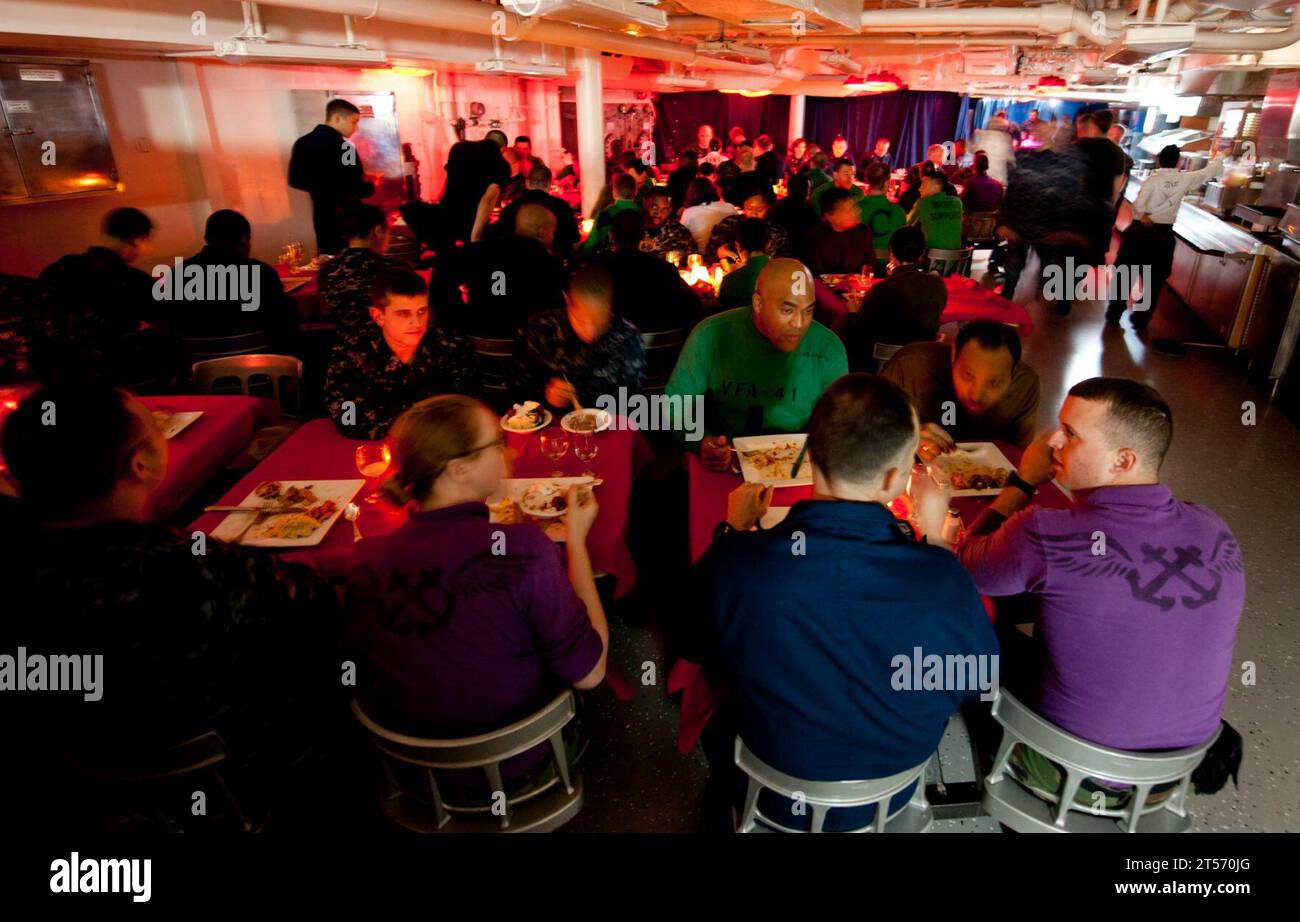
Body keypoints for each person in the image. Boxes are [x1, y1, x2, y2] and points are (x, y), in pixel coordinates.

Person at [0, 381, 337, 830]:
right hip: (223, 769)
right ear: (142, 463)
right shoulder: (187, 570)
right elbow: (314, 607)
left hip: (66, 775)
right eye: (153, 427)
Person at [681, 374, 998, 831]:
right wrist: (935, 549)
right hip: (891, 795)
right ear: (895, 479)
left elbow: (691, 644)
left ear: (810, 456)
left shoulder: (740, 563)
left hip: (774, 791)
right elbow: (976, 682)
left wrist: (730, 532)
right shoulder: (943, 577)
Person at [943, 378, 1243, 804]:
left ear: (1123, 460)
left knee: (959, 638)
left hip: (1073, 775)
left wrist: (1023, 482)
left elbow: (962, 568)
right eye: (1058, 427)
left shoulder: (1047, 531)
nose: (1053, 443)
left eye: (1071, 434)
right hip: (1173, 776)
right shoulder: (1216, 529)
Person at [344, 395, 607, 789]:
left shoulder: (364, 558)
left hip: (413, 773)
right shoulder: (525, 548)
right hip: (514, 765)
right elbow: (591, 673)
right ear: (459, 468)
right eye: (497, 444)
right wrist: (577, 544)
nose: (509, 452)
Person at [664, 258, 847, 461]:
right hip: (724, 457)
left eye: (808, 311)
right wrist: (701, 442)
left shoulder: (828, 348)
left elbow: (840, 422)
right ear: (758, 303)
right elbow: (675, 404)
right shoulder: (710, 335)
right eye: (787, 310)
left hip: (796, 463)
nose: (799, 323)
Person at [324, 269, 481, 439]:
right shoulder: (353, 349)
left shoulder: (451, 345)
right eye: (403, 313)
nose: (416, 322)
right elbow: (344, 411)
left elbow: (467, 406)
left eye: (422, 311)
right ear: (378, 316)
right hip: (374, 447)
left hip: (439, 446)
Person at [36, 207, 171, 386]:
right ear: (138, 240)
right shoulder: (134, 280)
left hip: (58, 369)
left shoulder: (59, 269)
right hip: (117, 372)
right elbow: (163, 322)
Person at [1107, 144, 1224, 331]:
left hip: (1139, 233)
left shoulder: (1152, 181)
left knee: (1125, 274)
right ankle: (1141, 318)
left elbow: (1138, 205)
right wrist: (1218, 157)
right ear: (1178, 162)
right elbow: (1208, 172)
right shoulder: (1185, 179)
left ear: (1159, 160)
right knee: (1154, 279)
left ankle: (1114, 312)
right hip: (1163, 236)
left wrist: (1141, 215)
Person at [880, 320, 1039, 450]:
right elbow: (866, 429)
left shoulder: (1024, 386)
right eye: (968, 376)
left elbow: (1018, 455)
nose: (977, 395)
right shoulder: (910, 367)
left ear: (1013, 372)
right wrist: (906, 435)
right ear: (954, 354)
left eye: (994, 382)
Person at [514, 264, 646, 411]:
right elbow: (518, 393)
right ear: (567, 301)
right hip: (551, 428)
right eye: (581, 321)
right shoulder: (539, 331)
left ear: (610, 307)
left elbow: (633, 402)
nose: (590, 333)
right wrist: (546, 395)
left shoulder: (628, 339)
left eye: (600, 322)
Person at [169, 209, 298, 354]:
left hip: (197, 367)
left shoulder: (179, 273)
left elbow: (170, 323)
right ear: (243, 239)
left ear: (206, 238)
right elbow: (283, 321)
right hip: (260, 362)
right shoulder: (261, 272)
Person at [448, 203, 567, 339]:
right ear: (541, 232)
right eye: (553, 231)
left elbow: (448, 275)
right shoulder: (549, 264)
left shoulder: (481, 251)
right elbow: (556, 307)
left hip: (479, 338)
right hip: (526, 342)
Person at [845, 226, 947, 368]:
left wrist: (852, 312)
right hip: (923, 358)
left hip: (881, 362)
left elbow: (859, 331)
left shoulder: (882, 289)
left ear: (891, 253)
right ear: (921, 254)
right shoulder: (936, 284)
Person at [287, 98, 375, 255]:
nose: (356, 128)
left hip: (322, 217)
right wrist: (370, 184)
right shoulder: (345, 148)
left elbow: (295, 180)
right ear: (337, 118)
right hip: (349, 219)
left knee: (330, 262)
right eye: (354, 121)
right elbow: (356, 186)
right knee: (353, 263)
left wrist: (322, 187)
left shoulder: (302, 143)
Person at [318, 202, 406, 352]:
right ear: (378, 230)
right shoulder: (391, 268)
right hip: (390, 352)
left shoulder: (328, 269)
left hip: (344, 354)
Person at [598, 210, 698, 333]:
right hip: (662, 346)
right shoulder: (664, 269)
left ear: (611, 235)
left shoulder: (598, 270)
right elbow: (693, 306)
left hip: (615, 346)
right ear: (642, 235)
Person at [438, 133, 511, 248]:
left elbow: (448, 181)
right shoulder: (502, 165)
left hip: (444, 219)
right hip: (471, 223)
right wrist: (475, 238)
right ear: (503, 149)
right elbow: (488, 199)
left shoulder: (459, 148)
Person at [494, 164, 580, 256]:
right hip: (551, 263)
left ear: (527, 183)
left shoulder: (510, 210)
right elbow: (574, 237)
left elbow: (500, 239)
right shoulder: (561, 207)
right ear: (549, 184)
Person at [704, 187, 788, 263]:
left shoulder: (775, 232)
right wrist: (719, 252)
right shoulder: (730, 224)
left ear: (768, 209)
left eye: (759, 210)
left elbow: (783, 261)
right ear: (743, 208)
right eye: (750, 209)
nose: (754, 214)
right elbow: (708, 254)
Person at [803, 188, 874, 276]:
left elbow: (869, 263)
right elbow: (814, 274)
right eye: (849, 210)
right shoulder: (815, 239)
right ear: (829, 216)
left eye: (854, 207)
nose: (856, 212)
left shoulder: (862, 232)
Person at [858, 162, 907, 271]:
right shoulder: (898, 212)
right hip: (890, 269)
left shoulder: (855, 209)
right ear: (887, 183)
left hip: (859, 267)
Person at [716, 219, 771, 310]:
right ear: (769, 244)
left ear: (738, 245)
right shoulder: (784, 273)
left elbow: (722, 312)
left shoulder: (730, 281)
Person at [581, 172, 641, 256]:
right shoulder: (642, 212)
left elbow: (591, 244)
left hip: (609, 262)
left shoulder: (605, 214)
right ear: (636, 192)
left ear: (613, 192)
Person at [768, 172, 819, 260]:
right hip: (803, 256)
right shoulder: (809, 210)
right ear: (806, 191)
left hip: (779, 255)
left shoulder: (778, 207)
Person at [908, 172, 964, 251]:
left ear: (936, 186)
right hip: (956, 259)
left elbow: (907, 224)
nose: (919, 188)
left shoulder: (923, 203)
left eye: (924, 184)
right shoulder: (957, 202)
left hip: (931, 258)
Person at [680, 177, 739, 252]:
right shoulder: (729, 207)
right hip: (730, 253)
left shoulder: (689, 212)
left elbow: (682, 236)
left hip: (702, 255)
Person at [638, 186, 697, 258]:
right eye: (654, 207)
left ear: (670, 210)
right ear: (644, 203)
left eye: (664, 209)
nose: (659, 213)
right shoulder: (632, 229)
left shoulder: (679, 233)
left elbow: (693, 259)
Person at [666, 149, 699, 213]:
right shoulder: (699, 174)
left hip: (677, 208)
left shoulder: (675, 175)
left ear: (683, 160)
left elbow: (669, 192)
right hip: (695, 209)